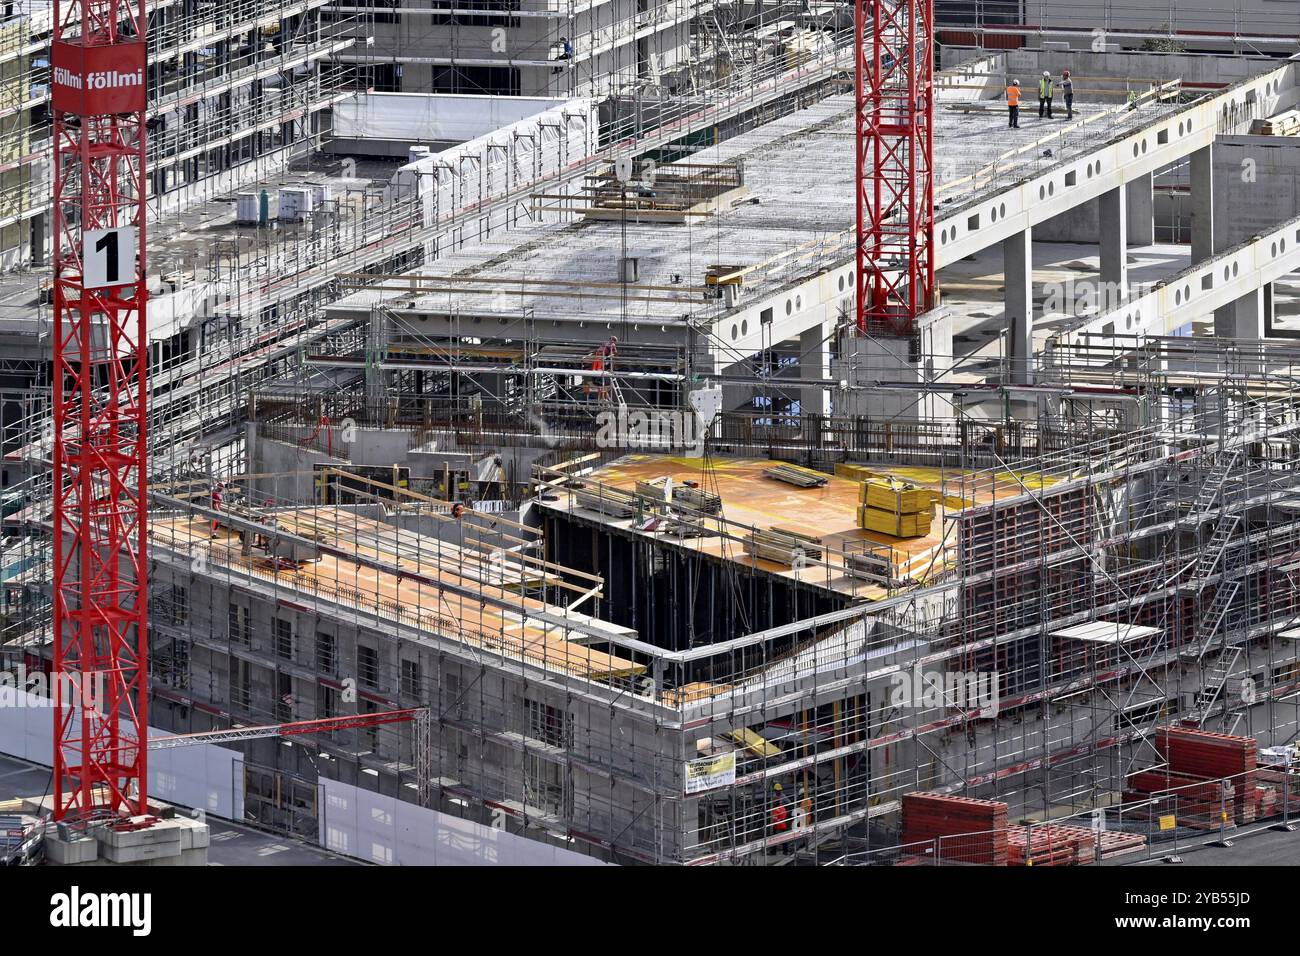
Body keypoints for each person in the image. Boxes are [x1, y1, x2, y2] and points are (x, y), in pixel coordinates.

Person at [769, 782, 790, 852]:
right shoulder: (774, 796)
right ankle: (780, 850)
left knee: (777, 837)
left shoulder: (783, 797)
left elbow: (789, 803)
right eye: (777, 790)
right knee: (777, 836)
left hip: (779, 821)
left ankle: (780, 850)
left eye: (779, 790)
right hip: (779, 820)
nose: (779, 791)